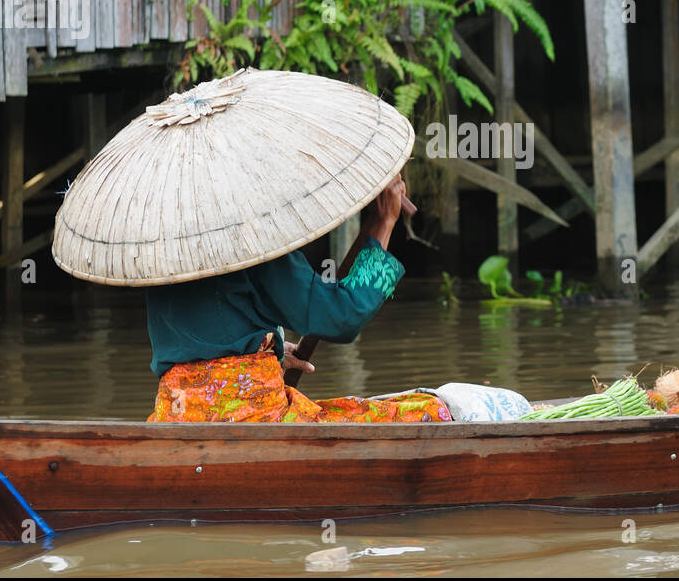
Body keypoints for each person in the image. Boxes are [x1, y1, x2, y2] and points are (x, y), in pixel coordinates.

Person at [145, 173, 450, 423]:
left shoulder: (167, 250)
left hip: (175, 417)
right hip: (252, 419)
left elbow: (209, 338)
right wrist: (384, 221)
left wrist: (265, 351)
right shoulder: (252, 242)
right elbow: (342, 316)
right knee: (432, 412)